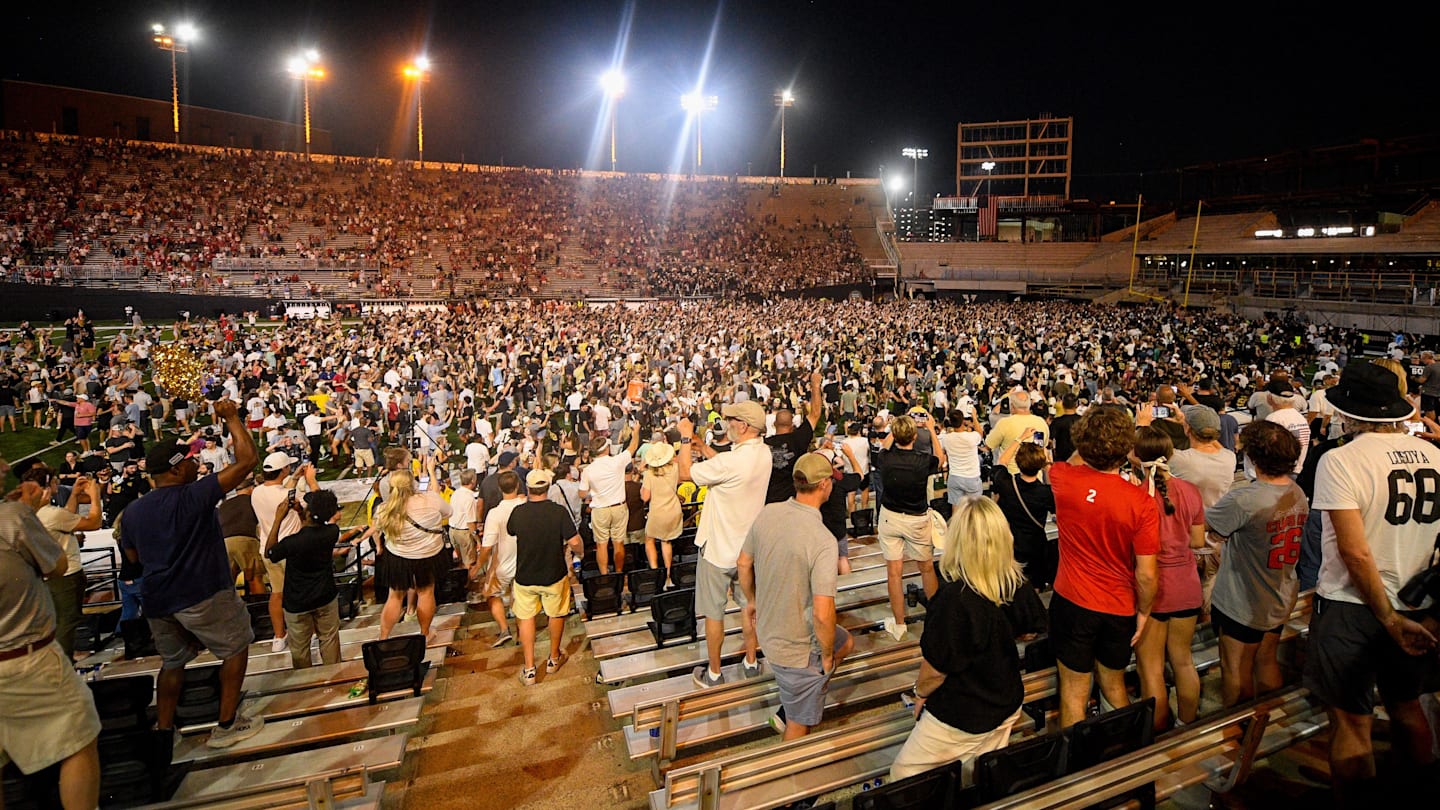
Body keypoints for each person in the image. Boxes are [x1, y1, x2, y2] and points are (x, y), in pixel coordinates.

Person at [1303, 361, 1440, 802]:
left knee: (1351, 721)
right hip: (1417, 601)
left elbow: (1355, 551)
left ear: (1349, 411)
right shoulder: (1436, 457)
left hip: (1354, 607)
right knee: (1406, 706)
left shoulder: (1341, 460)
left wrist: (1385, 617)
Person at [118, 399, 264, 748]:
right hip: (202, 591)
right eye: (186, 460)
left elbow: (133, 557)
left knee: (172, 663)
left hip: (158, 598)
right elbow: (247, 461)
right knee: (235, 647)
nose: (194, 462)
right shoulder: (192, 495)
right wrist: (231, 416)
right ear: (173, 470)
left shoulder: (134, 511)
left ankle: (164, 731)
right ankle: (226, 725)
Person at [889, 497, 1047, 784]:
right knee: (978, 772)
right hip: (1006, 701)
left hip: (964, 715)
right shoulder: (1014, 580)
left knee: (902, 776)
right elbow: (1032, 629)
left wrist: (919, 693)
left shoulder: (954, 600)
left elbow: (935, 670)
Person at [1048, 405, 1160, 728]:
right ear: (1127, 449)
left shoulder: (1062, 478)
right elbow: (1147, 573)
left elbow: (1070, 462)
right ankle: (1120, 757)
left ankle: (1077, 773)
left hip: (1072, 602)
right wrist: (1143, 611)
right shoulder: (1140, 502)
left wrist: (1089, 444)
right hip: (1118, 606)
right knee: (1114, 685)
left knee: (1073, 692)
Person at [0, 460, 102, 810]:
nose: (3, 466)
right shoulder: (13, 517)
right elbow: (56, 565)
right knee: (78, 739)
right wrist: (27, 510)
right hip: (25, 655)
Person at [738, 453, 856, 740]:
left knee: (847, 641)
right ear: (825, 485)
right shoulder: (823, 540)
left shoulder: (768, 513)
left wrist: (752, 600)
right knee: (798, 727)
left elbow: (743, 562)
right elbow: (822, 612)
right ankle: (786, 779)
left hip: (769, 629)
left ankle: (796, 699)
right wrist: (826, 657)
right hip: (798, 648)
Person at [1206, 420, 1307, 708]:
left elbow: (1206, 524)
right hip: (1278, 591)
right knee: (1266, 659)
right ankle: (1266, 721)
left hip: (1244, 598)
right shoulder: (1296, 492)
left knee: (1235, 668)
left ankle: (1239, 734)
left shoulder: (1247, 498)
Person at [677, 401, 771, 688]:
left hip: (718, 549)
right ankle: (751, 661)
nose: (726, 423)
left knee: (714, 613)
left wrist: (684, 438)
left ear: (742, 426)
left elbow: (684, 473)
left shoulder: (729, 462)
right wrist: (702, 447)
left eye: (731, 419)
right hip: (749, 551)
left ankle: (715, 673)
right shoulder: (764, 452)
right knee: (749, 607)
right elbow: (724, 464)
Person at [1129, 426, 1205, 731]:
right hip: (1186, 585)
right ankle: (1187, 724)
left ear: (1136, 456)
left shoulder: (1136, 496)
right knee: (1183, 660)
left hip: (1154, 589)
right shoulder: (1190, 490)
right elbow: (1198, 541)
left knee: (1151, 668)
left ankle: (1159, 731)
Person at [264, 489, 355, 669]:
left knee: (300, 648)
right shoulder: (331, 532)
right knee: (329, 640)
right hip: (325, 596)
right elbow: (310, 531)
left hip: (297, 601)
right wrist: (300, 512)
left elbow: (270, 552)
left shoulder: (293, 542)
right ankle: (333, 677)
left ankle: (305, 683)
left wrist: (277, 520)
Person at [875, 414, 946, 641]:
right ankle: (936, 621)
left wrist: (892, 431)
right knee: (926, 568)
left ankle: (899, 624)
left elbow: (882, 449)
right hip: (917, 518)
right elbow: (941, 459)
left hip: (890, 517)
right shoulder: (922, 461)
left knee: (894, 574)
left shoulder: (885, 458)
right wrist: (933, 429)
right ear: (915, 436)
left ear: (894, 435)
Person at [507, 468, 581, 685]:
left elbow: (511, 531)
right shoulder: (558, 512)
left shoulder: (519, 512)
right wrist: (581, 553)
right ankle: (553, 658)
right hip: (553, 573)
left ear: (527, 488)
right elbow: (574, 541)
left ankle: (530, 668)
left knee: (526, 617)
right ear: (547, 487)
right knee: (556, 614)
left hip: (525, 573)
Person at [22, 466, 102, 658]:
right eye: (55, 481)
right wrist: (95, 496)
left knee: (58, 621)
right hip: (66, 575)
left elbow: (65, 518)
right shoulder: (51, 514)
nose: (58, 484)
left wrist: (74, 494)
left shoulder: (31, 512)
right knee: (68, 622)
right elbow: (94, 522)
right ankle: (64, 664)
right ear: (47, 487)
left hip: (46, 576)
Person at [368, 458, 452, 641]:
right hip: (428, 555)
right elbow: (448, 512)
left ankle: (383, 638)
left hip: (398, 557)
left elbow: (377, 531)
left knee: (395, 596)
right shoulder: (430, 499)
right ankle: (424, 633)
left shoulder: (384, 509)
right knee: (426, 592)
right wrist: (430, 472)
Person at [1167, 404, 1237, 621]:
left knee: (1181, 605)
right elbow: (1213, 442)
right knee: (1207, 599)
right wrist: (1191, 424)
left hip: (1186, 541)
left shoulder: (1180, 459)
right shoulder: (1229, 458)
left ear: (1188, 429)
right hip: (1216, 542)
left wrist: (1142, 424)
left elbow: (1140, 454)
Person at [252, 452, 320, 654]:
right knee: (305, 592)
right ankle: (313, 633)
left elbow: (281, 491)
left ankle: (279, 636)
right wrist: (311, 480)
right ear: (283, 470)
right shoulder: (287, 495)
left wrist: (296, 478)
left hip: (268, 547)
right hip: (291, 550)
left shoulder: (256, 492)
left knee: (277, 593)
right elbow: (318, 505)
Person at [991, 440, 1056, 590]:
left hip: (1009, 544)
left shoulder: (1006, 484)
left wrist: (1019, 439)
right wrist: (1047, 464)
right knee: (1035, 586)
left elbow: (1001, 462)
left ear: (1017, 461)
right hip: (1035, 545)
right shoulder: (1046, 493)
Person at [578, 427, 640, 574]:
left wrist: (593, 494)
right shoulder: (616, 462)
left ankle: (605, 575)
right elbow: (633, 447)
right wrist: (635, 432)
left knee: (601, 545)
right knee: (618, 544)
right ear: (606, 449)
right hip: (618, 507)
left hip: (600, 510)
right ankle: (618, 573)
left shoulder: (588, 470)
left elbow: (581, 494)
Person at [477, 470, 523, 648]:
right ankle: (521, 634)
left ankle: (504, 629)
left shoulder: (495, 513)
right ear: (518, 485)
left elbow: (487, 546)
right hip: (522, 561)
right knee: (519, 597)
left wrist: (478, 566)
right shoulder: (523, 505)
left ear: (499, 488)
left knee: (491, 594)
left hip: (502, 563)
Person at [763, 372, 823, 505]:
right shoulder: (798, 439)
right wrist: (815, 385)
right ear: (792, 425)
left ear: (774, 424)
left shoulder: (763, 445)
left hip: (768, 503)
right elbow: (815, 413)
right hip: (793, 502)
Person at [641, 441, 683, 585]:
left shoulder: (649, 474)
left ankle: (655, 572)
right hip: (673, 510)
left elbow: (645, 497)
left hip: (657, 512)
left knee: (649, 540)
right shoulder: (675, 468)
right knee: (666, 541)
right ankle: (668, 574)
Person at [219, 477, 266, 595]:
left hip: (224, 542)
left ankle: (226, 608)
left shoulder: (225, 504)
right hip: (245, 540)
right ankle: (259, 607)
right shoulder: (253, 501)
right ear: (251, 489)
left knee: (228, 581)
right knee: (255, 578)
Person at [984, 390, 1047, 475]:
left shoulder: (1005, 423)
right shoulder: (1041, 422)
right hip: (1035, 477)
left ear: (1012, 406)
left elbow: (988, 445)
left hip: (1010, 477)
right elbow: (1043, 447)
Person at [940, 410, 986, 510]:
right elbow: (980, 433)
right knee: (975, 509)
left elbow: (942, 451)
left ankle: (955, 526)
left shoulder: (946, 438)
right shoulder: (971, 437)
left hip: (955, 476)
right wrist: (974, 416)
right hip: (972, 477)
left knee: (956, 509)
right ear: (963, 421)